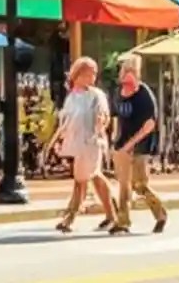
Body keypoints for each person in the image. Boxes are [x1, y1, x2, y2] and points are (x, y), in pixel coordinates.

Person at [53, 56, 114, 234]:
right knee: (94, 177)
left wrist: (101, 122)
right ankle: (112, 214)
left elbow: (104, 116)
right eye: (89, 73)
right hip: (76, 143)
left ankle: (70, 218)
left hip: (92, 142)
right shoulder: (72, 96)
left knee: (81, 180)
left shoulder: (96, 95)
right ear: (78, 74)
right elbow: (66, 119)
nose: (92, 77)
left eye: (94, 74)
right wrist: (60, 138)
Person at [110, 54, 167, 235]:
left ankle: (160, 213)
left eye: (131, 71)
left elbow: (149, 125)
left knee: (139, 184)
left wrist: (131, 144)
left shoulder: (144, 94)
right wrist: (115, 142)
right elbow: (116, 117)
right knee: (123, 185)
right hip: (122, 142)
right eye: (125, 71)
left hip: (141, 144)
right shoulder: (118, 93)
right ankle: (123, 221)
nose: (127, 75)